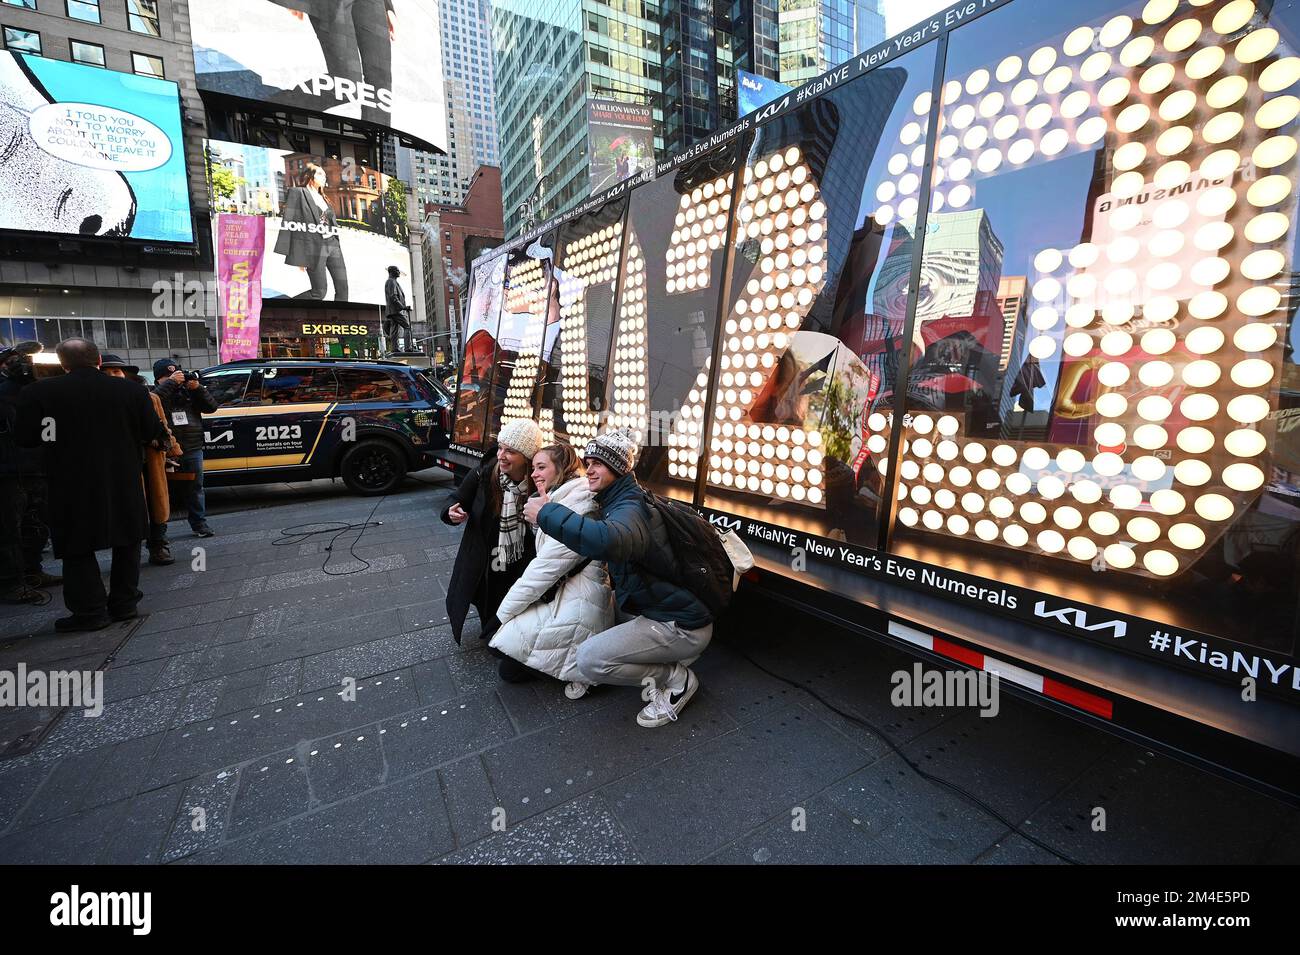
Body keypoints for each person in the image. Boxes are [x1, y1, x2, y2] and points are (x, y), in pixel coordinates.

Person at [525, 429, 714, 727]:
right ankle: (653, 661)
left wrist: (547, 514)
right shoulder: (618, 499)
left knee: (589, 659)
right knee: (596, 614)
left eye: (597, 463)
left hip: (681, 627)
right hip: (662, 611)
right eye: (587, 462)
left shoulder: (630, 509)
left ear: (617, 467)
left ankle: (677, 679)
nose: (589, 470)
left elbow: (611, 540)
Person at [15, 338, 167, 632]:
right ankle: (125, 604)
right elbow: (151, 432)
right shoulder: (132, 390)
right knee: (128, 538)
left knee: (76, 546)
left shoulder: (39, 392)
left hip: (69, 480)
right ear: (99, 360)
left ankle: (90, 611)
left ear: (63, 364)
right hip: (122, 476)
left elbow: (26, 438)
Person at [490, 444, 615, 699]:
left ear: (562, 470)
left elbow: (544, 569)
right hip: (567, 595)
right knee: (503, 650)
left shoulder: (577, 505)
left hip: (580, 605)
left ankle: (584, 676)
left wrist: (501, 615)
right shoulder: (562, 498)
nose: (534, 473)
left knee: (503, 660)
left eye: (542, 467)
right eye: (533, 467)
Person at [440, 418, 543, 680]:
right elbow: (456, 498)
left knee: (517, 591)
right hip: (487, 552)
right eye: (500, 448)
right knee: (489, 593)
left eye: (510, 451)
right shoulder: (486, 471)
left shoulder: (539, 480)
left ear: (527, 456)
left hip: (523, 553)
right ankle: (493, 629)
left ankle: (509, 630)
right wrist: (451, 511)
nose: (502, 456)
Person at [102, 355, 181, 565]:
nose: (113, 376)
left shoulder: (148, 397)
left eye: (117, 372)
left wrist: (170, 450)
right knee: (128, 507)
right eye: (107, 372)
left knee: (158, 504)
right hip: (120, 465)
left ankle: (159, 546)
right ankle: (129, 551)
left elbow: (163, 427)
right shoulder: (97, 401)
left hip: (151, 460)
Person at [0, 342, 59, 603]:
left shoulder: (32, 391)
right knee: (8, 530)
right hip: (8, 472)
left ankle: (33, 570)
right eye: (9, 361)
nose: (18, 364)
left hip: (37, 467)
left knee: (37, 522)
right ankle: (11, 582)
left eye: (19, 359)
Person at [152, 359, 219, 539]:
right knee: (159, 492)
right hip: (164, 449)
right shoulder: (154, 394)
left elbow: (212, 407)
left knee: (195, 488)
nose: (175, 379)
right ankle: (159, 533)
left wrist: (197, 388)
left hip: (192, 447)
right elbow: (152, 404)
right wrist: (171, 384)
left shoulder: (188, 392)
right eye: (167, 377)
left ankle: (199, 524)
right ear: (158, 379)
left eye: (176, 375)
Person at [276, 162, 349, 301]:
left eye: (325, 174)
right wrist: (299, 256)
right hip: (314, 248)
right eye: (320, 174)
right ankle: (284, 307)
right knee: (319, 292)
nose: (324, 176)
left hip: (333, 245)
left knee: (343, 287)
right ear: (310, 175)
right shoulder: (298, 193)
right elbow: (289, 223)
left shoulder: (323, 196)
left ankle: (340, 317)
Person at [383, 265, 411, 351]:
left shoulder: (392, 282)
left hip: (393, 311)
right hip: (395, 310)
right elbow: (393, 297)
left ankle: (395, 348)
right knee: (407, 327)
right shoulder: (391, 282)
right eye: (397, 271)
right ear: (392, 272)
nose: (399, 272)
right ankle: (408, 348)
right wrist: (403, 307)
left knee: (394, 330)